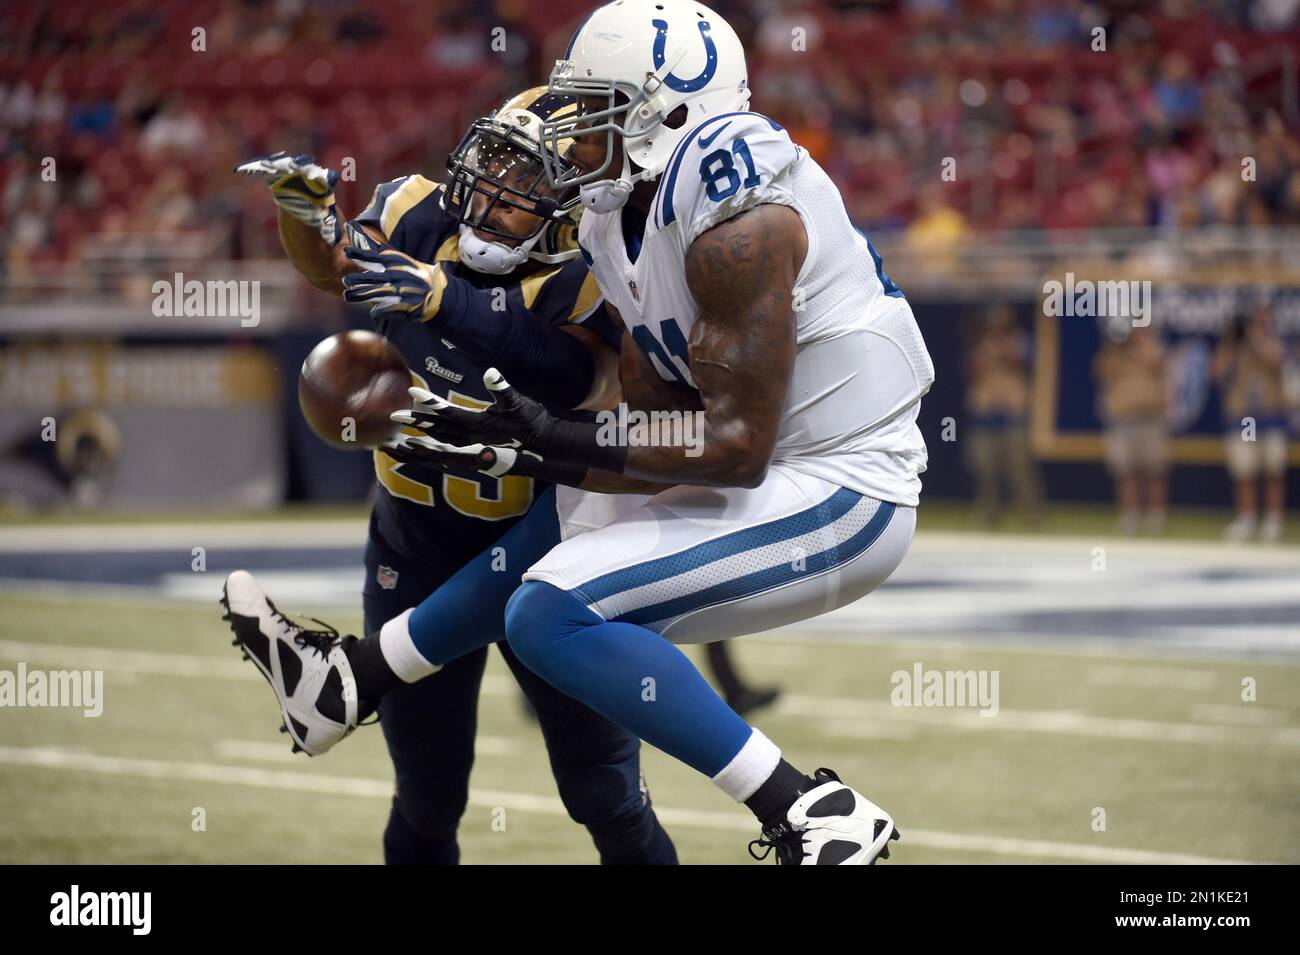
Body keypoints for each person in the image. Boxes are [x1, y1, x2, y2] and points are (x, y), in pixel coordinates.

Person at [229, 0, 933, 865]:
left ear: (666, 113)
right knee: (561, 521)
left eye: (595, 103)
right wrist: (538, 444)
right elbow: (651, 425)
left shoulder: (733, 204)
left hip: (841, 484)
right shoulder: (610, 218)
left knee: (548, 615)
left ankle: (807, 808)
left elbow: (736, 446)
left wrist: (553, 438)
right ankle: (347, 684)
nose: (570, 127)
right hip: (765, 461)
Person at [224, 88, 676, 864]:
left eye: (523, 181)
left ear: (570, 211)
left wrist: (444, 301)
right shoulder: (415, 211)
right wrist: (301, 219)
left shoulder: (590, 274)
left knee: (604, 792)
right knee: (429, 795)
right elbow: (334, 267)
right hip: (417, 547)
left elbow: (572, 376)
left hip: (548, 558)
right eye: (490, 162)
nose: (490, 192)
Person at [1214, 305, 1290, 543]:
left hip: (1270, 413)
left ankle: (1273, 520)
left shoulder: (1274, 342)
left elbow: (1276, 361)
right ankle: (1247, 518)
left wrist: (1257, 339)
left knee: (1273, 468)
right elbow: (1217, 372)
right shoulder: (1234, 346)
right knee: (1245, 469)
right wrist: (1231, 341)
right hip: (1245, 416)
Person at [964, 307, 1043, 526]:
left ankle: (1030, 512)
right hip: (985, 411)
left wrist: (1003, 348)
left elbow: (1023, 362)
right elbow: (972, 371)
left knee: (1019, 468)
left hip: (1013, 412)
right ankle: (988, 511)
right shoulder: (981, 344)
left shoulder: (1021, 340)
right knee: (985, 467)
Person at [1092, 322, 1171, 535]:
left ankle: (1156, 517)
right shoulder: (1114, 352)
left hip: (1150, 418)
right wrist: (1116, 348)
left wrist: (1140, 342)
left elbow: (1158, 364)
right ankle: (1130, 516)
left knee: (1154, 470)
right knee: (1125, 471)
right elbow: (1101, 371)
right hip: (1123, 419)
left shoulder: (1152, 347)